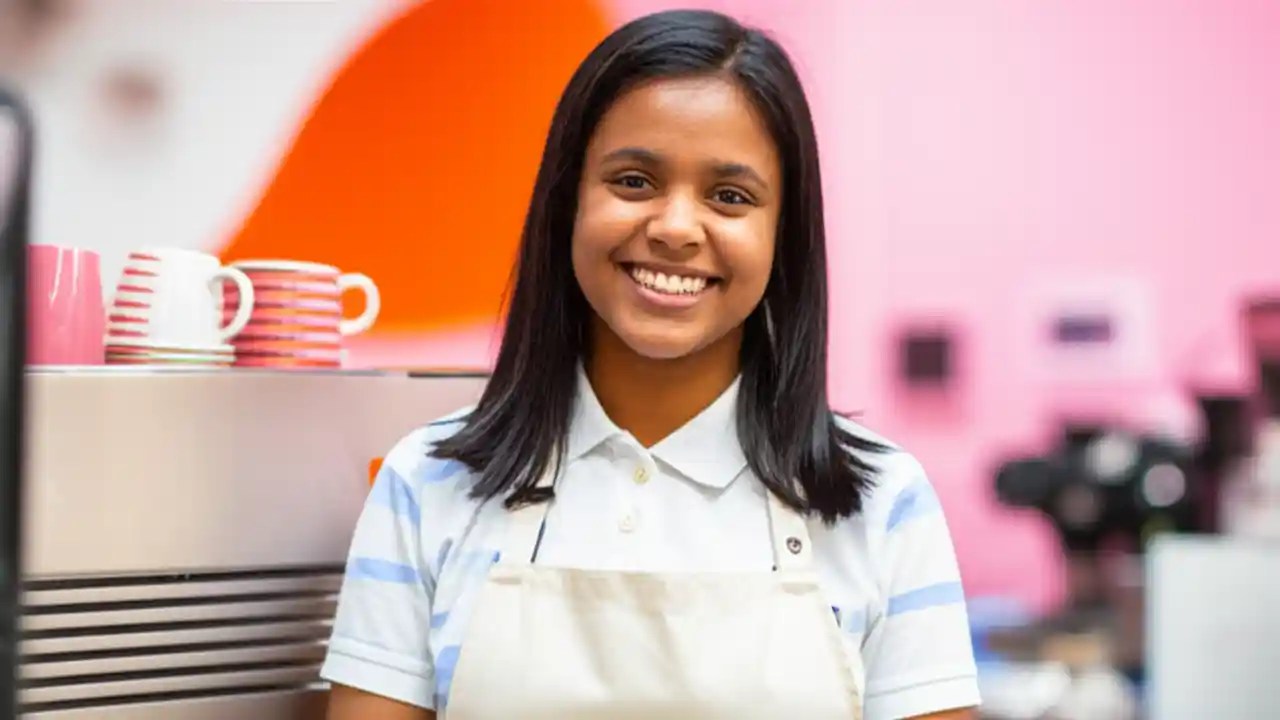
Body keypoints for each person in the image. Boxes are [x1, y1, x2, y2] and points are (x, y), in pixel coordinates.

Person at [323, 9, 980, 719]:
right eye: (634, 181)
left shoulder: (880, 504)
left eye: (730, 197)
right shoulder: (428, 486)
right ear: (567, 204)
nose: (675, 228)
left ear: (782, 235)